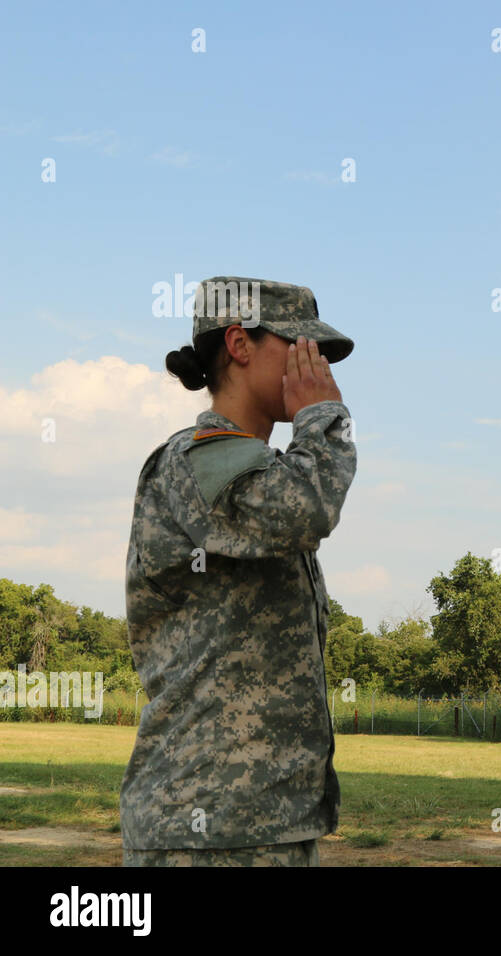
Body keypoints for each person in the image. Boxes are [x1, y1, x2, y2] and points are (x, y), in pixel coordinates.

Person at [120, 276, 356, 866]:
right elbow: (308, 507)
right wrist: (323, 416)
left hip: (263, 822)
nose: (315, 362)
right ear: (240, 344)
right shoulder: (198, 458)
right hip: (207, 827)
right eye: (299, 344)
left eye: (320, 353)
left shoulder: (258, 469)